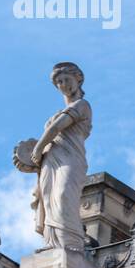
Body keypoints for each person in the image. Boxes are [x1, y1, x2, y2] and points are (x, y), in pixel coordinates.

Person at [29, 62, 92, 252]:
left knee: (64, 195)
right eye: (58, 83)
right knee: (49, 200)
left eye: (66, 79)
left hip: (71, 158)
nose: (63, 85)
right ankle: (52, 243)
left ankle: (70, 244)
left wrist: (38, 147)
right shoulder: (56, 113)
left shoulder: (82, 105)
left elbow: (57, 127)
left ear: (78, 78)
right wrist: (35, 158)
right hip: (51, 160)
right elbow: (52, 130)